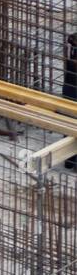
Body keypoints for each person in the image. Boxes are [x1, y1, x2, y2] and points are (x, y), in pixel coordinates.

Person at [64, 33, 76, 171]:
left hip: (70, 90)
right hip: (72, 91)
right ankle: (70, 160)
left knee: (68, 127)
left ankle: (70, 160)